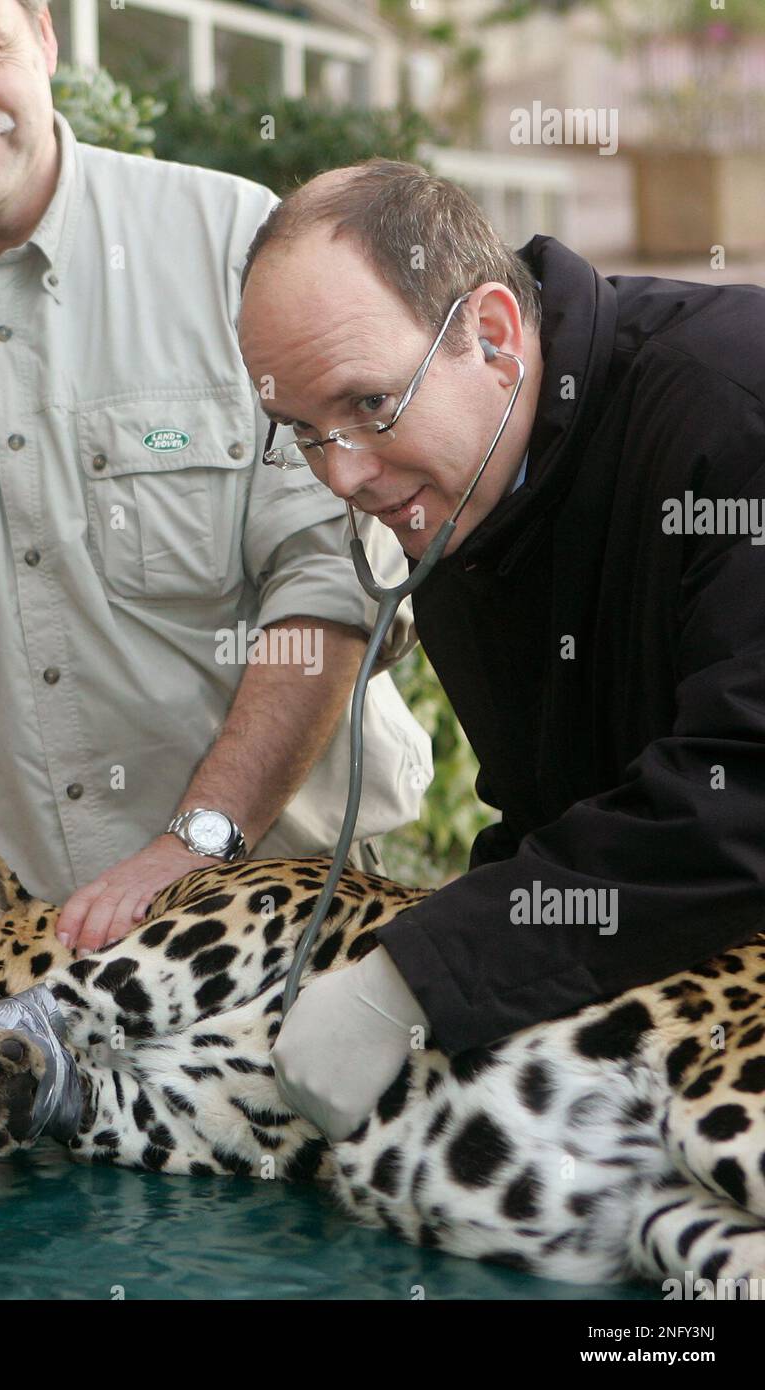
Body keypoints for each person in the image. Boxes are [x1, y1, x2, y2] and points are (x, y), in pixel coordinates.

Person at [0, 0, 432, 1007]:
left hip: (310, 939)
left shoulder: (235, 243)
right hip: (32, 993)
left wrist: (195, 843)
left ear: (43, 34)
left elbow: (334, 570)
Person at [238, 159, 765, 1143]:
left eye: (367, 405)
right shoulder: (456, 486)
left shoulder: (733, 405)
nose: (343, 474)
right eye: (301, 433)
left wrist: (417, 975)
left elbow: (737, 798)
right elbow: (549, 813)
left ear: (490, 335)